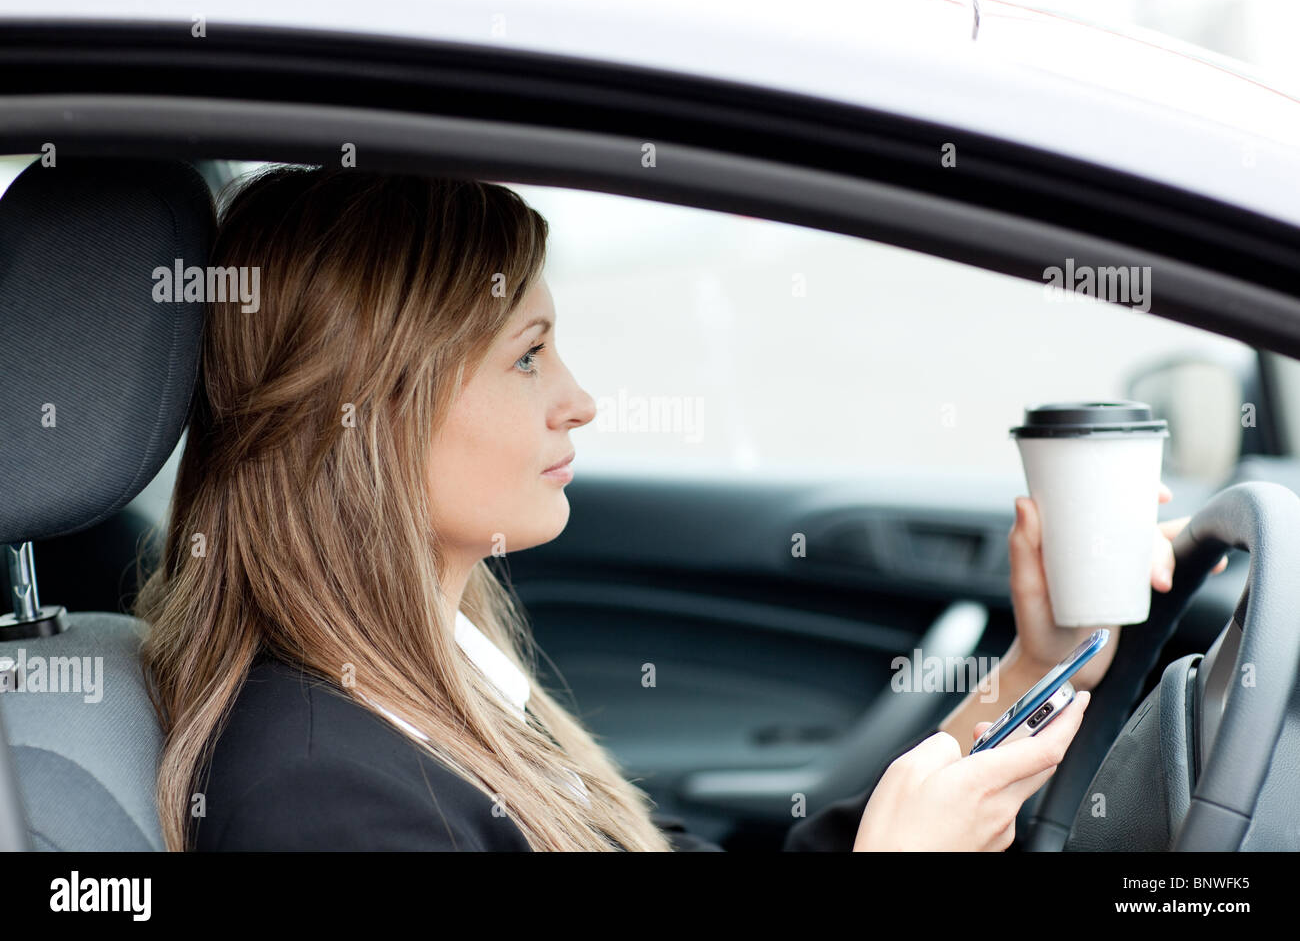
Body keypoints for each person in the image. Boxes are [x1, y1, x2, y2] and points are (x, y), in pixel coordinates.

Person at [136, 166, 1224, 852]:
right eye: (527, 356)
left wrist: (1032, 668)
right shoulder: (320, 790)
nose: (580, 399)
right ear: (366, 419)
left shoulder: (439, 684)